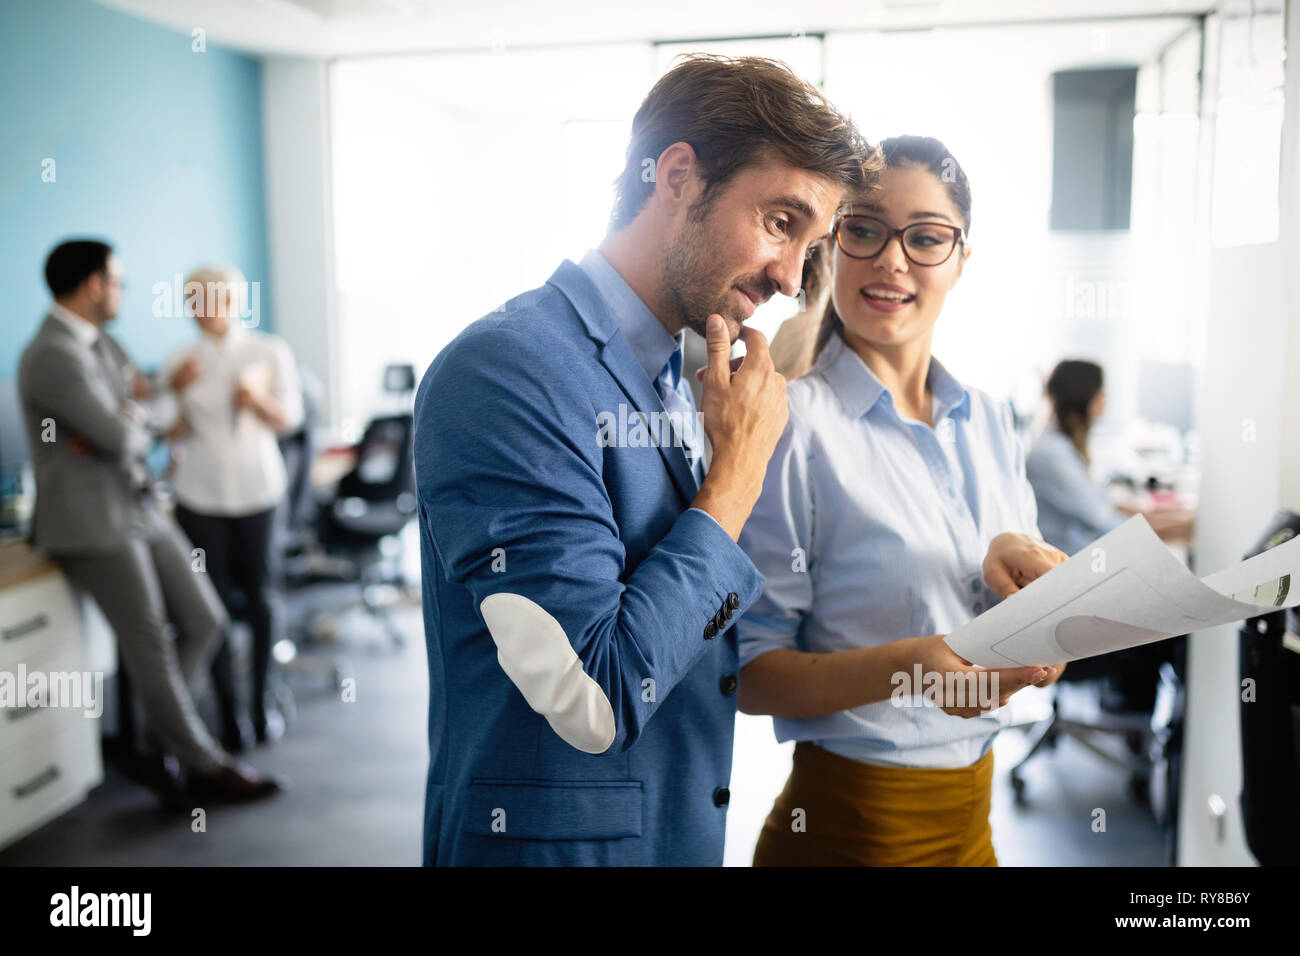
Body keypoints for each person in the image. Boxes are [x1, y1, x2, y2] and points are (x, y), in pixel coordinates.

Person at [414, 54, 880, 866]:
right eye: (780, 222)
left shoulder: (677, 371)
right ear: (676, 177)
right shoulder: (506, 369)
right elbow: (592, 693)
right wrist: (733, 479)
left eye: (812, 247)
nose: (788, 276)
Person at [735, 136, 1068, 866]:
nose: (891, 259)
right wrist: (911, 665)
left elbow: (1018, 622)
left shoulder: (987, 417)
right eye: (864, 229)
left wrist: (1038, 608)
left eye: (925, 238)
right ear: (833, 247)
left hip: (973, 829)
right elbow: (750, 674)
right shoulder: (792, 425)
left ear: (960, 261)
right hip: (847, 832)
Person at [17, 239, 284, 803]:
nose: (122, 292)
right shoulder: (53, 354)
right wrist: (126, 425)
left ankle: (151, 743)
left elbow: (137, 416)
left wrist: (128, 421)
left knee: (207, 619)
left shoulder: (104, 344)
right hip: (94, 521)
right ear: (93, 285)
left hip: (139, 504)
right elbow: (124, 434)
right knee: (151, 644)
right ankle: (205, 763)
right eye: (117, 281)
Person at [162, 266, 304, 751]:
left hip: (257, 491)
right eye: (191, 300)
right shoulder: (181, 360)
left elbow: (290, 420)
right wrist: (173, 391)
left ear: (233, 300)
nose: (200, 309)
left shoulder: (267, 351)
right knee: (212, 604)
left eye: (210, 298)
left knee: (262, 598)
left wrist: (257, 399)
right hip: (199, 495)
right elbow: (167, 430)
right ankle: (228, 714)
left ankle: (261, 702)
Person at [1027, 359, 1194, 554]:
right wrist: (1182, 527)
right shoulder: (1051, 454)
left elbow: (1105, 504)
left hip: (1080, 553)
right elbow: (1106, 524)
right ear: (1084, 395)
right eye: (1101, 391)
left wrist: (1179, 516)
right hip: (1068, 560)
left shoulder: (1063, 446)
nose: (1105, 399)